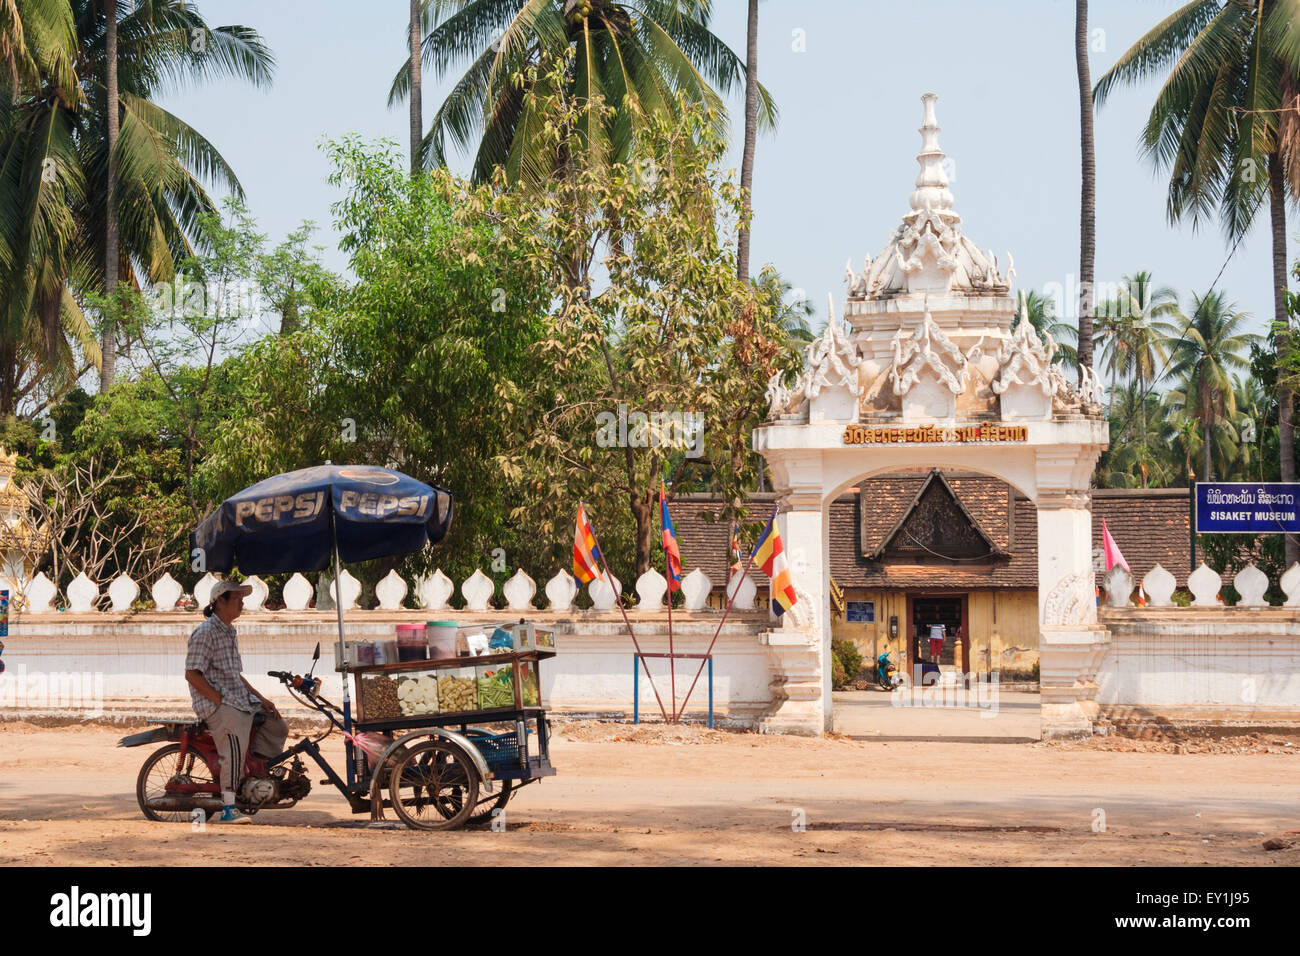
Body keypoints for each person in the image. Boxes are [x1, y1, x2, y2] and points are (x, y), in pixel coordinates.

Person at [184, 579, 289, 824]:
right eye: (237, 599)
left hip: (238, 698)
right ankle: (229, 808)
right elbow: (191, 674)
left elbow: (235, 675)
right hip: (218, 704)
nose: (242, 603)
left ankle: (252, 776)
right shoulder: (205, 632)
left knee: (277, 725)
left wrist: (262, 699)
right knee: (233, 746)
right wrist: (219, 701)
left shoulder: (229, 632)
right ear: (220, 601)